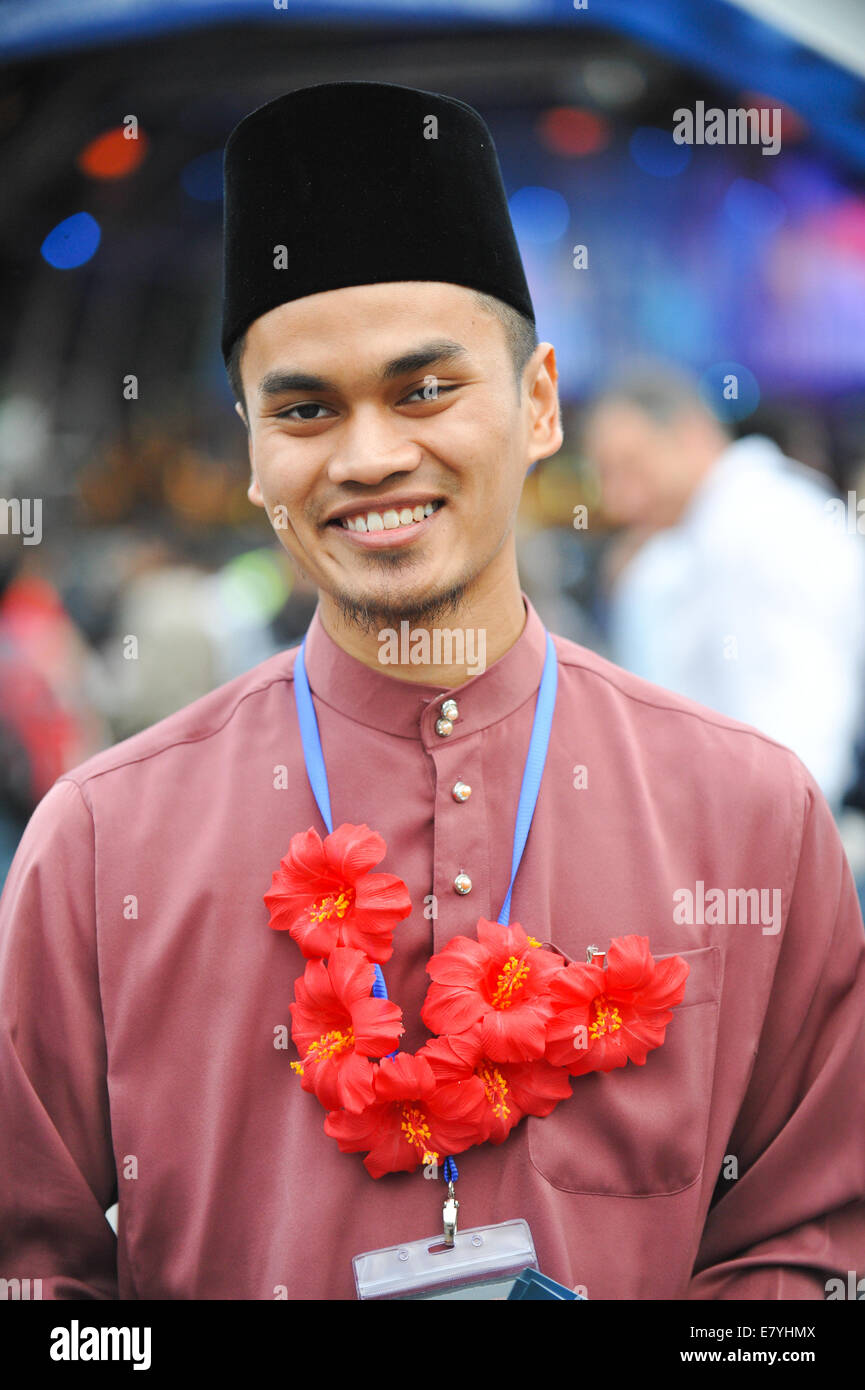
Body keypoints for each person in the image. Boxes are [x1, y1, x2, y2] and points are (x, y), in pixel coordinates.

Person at [1, 82, 863, 1302]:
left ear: (539, 402)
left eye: (424, 390)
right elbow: (35, 1282)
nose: (367, 457)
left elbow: (800, 1250)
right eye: (304, 409)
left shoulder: (749, 816)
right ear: (252, 451)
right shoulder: (97, 847)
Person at [583, 367, 865, 814]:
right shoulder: (705, 536)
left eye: (631, 469)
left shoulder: (764, 524)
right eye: (609, 478)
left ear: (691, 435)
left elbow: (802, 735)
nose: (619, 501)